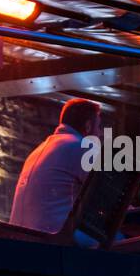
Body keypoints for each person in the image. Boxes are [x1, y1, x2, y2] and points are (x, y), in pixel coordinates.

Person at [9, 98, 101, 233]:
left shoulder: (38, 150)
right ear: (88, 126)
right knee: (122, 240)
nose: (100, 133)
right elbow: (106, 201)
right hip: (52, 241)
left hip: (16, 240)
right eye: (98, 127)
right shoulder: (83, 146)